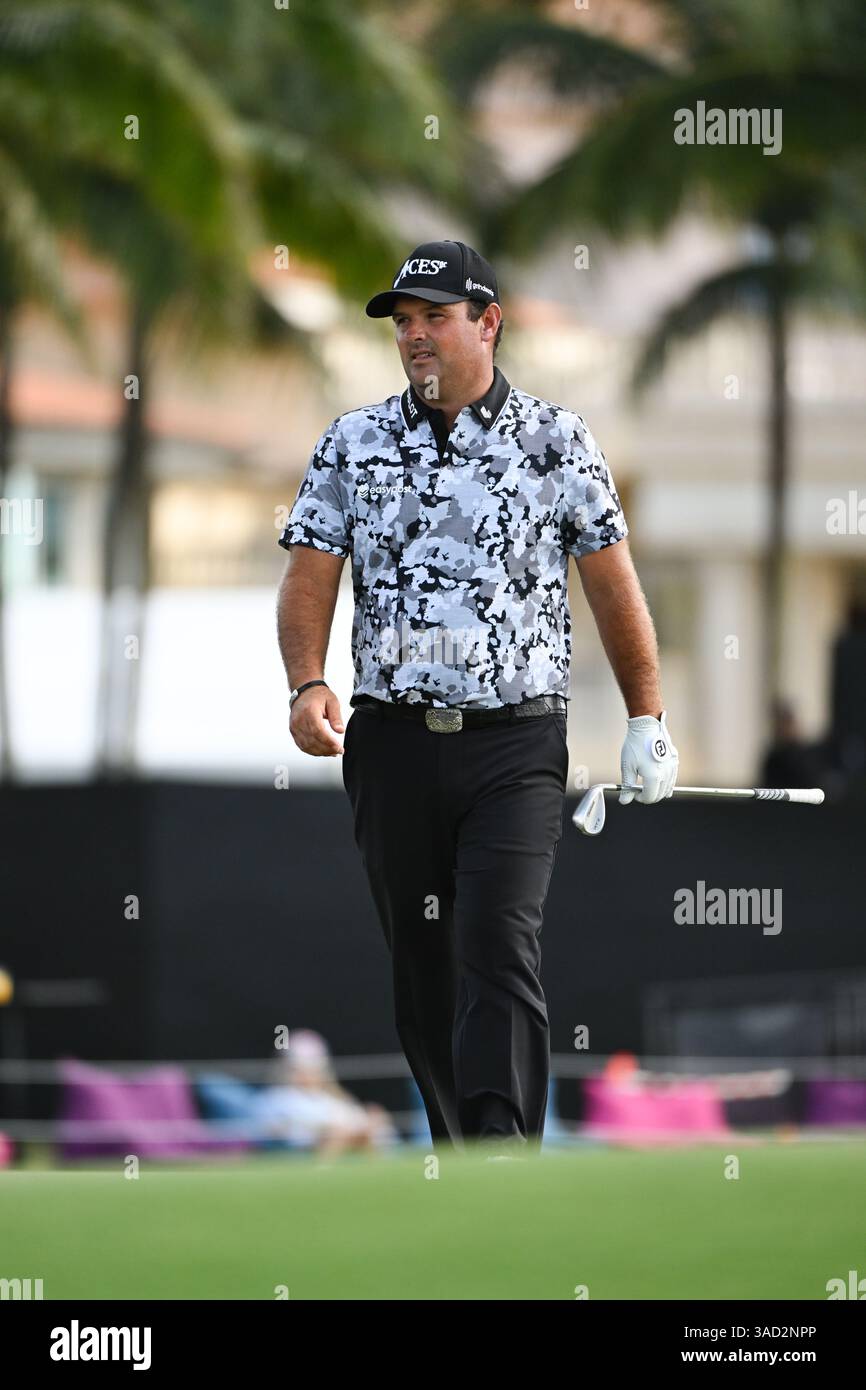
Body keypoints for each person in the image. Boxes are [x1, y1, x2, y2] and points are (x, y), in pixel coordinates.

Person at [276, 240, 678, 1155]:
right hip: (392, 744)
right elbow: (309, 580)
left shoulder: (557, 439)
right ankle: (464, 1157)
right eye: (403, 323)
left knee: (498, 944)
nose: (415, 336)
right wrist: (307, 683)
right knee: (424, 974)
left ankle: (501, 1159)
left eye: (434, 318)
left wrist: (647, 717)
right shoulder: (353, 442)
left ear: (487, 323)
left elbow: (613, 584)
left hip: (515, 748)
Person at [256, 1029, 397, 1157]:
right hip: (305, 1149)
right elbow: (279, 1130)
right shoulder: (278, 1097)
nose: (308, 1074)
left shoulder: (331, 1097)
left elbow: (356, 1121)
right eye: (301, 1069)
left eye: (312, 1069)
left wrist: (368, 1120)